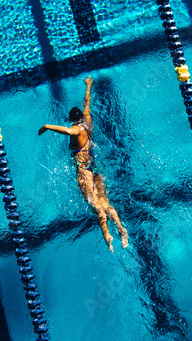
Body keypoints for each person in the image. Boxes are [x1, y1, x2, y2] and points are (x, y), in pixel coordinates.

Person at [39, 76, 128, 251]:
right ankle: (121, 228)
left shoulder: (76, 130)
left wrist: (47, 126)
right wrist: (89, 86)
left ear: (72, 120)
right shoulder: (87, 123)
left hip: (84, 171)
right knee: (105, 202)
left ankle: (107, 236)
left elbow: (66, 130)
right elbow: (86, 103)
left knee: (96, 207)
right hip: (95, 168)